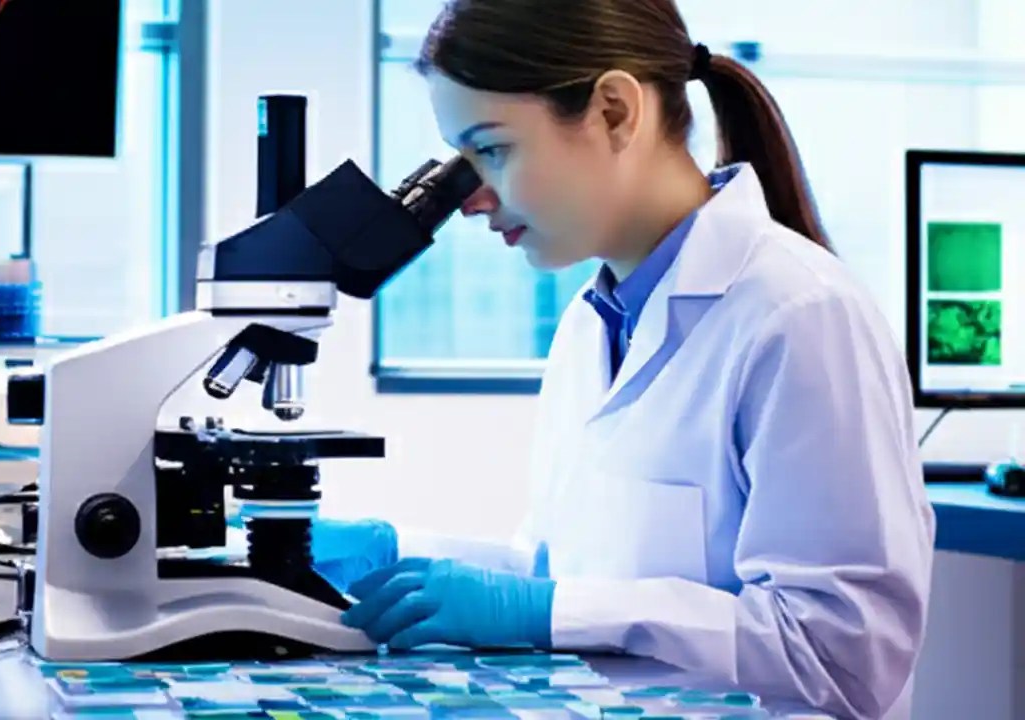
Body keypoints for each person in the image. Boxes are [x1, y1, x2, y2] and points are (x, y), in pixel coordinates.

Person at [311, 1, 937, 718]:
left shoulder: (800, 316)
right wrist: (397, 554)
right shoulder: (591, 322)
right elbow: (568, 581)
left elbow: (844, 658)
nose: (472, 200)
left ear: (613, 111)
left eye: (491, 150)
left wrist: (535, 611)